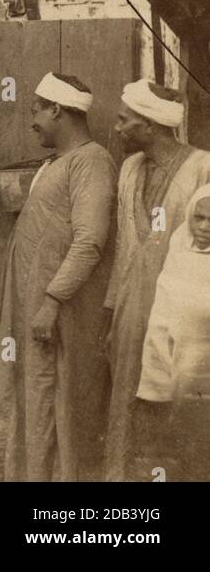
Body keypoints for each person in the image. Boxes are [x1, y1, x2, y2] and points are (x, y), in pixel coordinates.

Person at [0, 73, 116, 480]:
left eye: (37, 110)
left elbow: (90, 240)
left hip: (56, 313)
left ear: (58, 109)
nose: (32, 120)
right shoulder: (56, 162)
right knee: (31, 394)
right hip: (34, 311)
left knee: (51, 397)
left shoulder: (91, 161)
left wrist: (53, 300)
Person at [105, 79, 210, 479]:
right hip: (133, 311)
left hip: (187, 315)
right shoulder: (129, 169)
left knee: (181, 408)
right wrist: (110, 311)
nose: (116, 128)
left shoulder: (203, 167)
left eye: (123, 121)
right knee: (130, 399)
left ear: (149, 125)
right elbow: (123, 247)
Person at [134, 186, 210, 479]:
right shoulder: (179, 254)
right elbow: (161, 323)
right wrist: (157, 384)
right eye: (198, 218)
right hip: (182, 389)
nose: (203, 228)